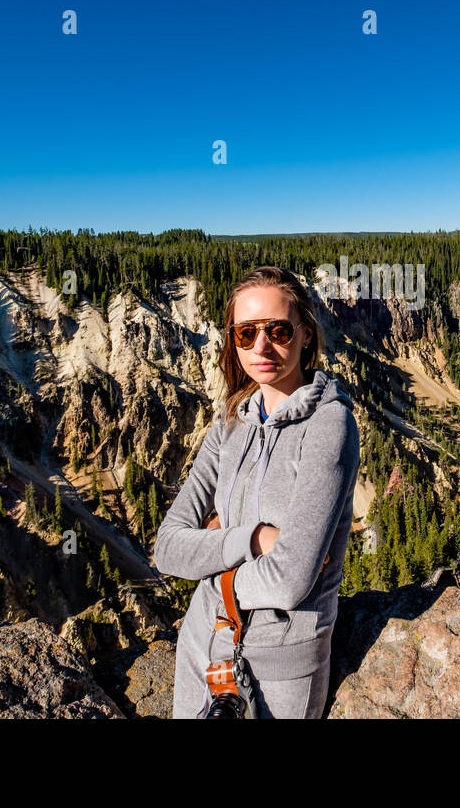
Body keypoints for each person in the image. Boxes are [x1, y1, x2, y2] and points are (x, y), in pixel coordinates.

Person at [153, 265, 361, 718]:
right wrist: (253, 539)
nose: (262, 346)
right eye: (246, 333)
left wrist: (211, 556)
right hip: (200, 650)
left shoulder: (330, 424)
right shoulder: (229, 422)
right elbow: (167, 548)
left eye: (279, 330)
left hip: (280, 667)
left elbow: (290, 581)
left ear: (306, 334)